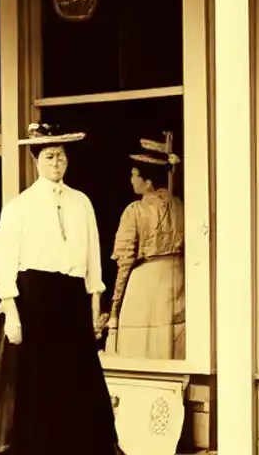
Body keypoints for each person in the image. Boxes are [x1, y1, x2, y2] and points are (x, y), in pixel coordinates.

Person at [0, 123, 119, 455]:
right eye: (49, 157)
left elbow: (93, 254)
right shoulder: (19, 206)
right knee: (37, 380)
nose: (56, 163)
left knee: (77, 378)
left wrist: (95, 301)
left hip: (71, 298)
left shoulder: (81, 203)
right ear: (36, 161)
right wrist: (11, 308)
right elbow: (6, 261)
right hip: (35, 297)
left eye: (61, 157)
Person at [106, 138, 185, 359]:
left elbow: (125, 261)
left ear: (148, 181)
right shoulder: (181, 207)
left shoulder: (135, 211)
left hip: (146, 285)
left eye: (135, 174)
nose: (131, 179)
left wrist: (115, 307)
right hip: (177, 280)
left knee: (143, 348)